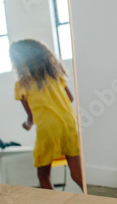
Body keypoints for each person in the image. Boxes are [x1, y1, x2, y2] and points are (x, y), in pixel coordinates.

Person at [9, 39, 84, 191]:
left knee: (43, 175)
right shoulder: (56, 77)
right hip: (70, 125)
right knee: (76, 171)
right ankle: (92, 197)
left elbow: (30, 117)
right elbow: (70, 98)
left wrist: (27, 125)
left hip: (49, 129)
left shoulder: (22, 84)